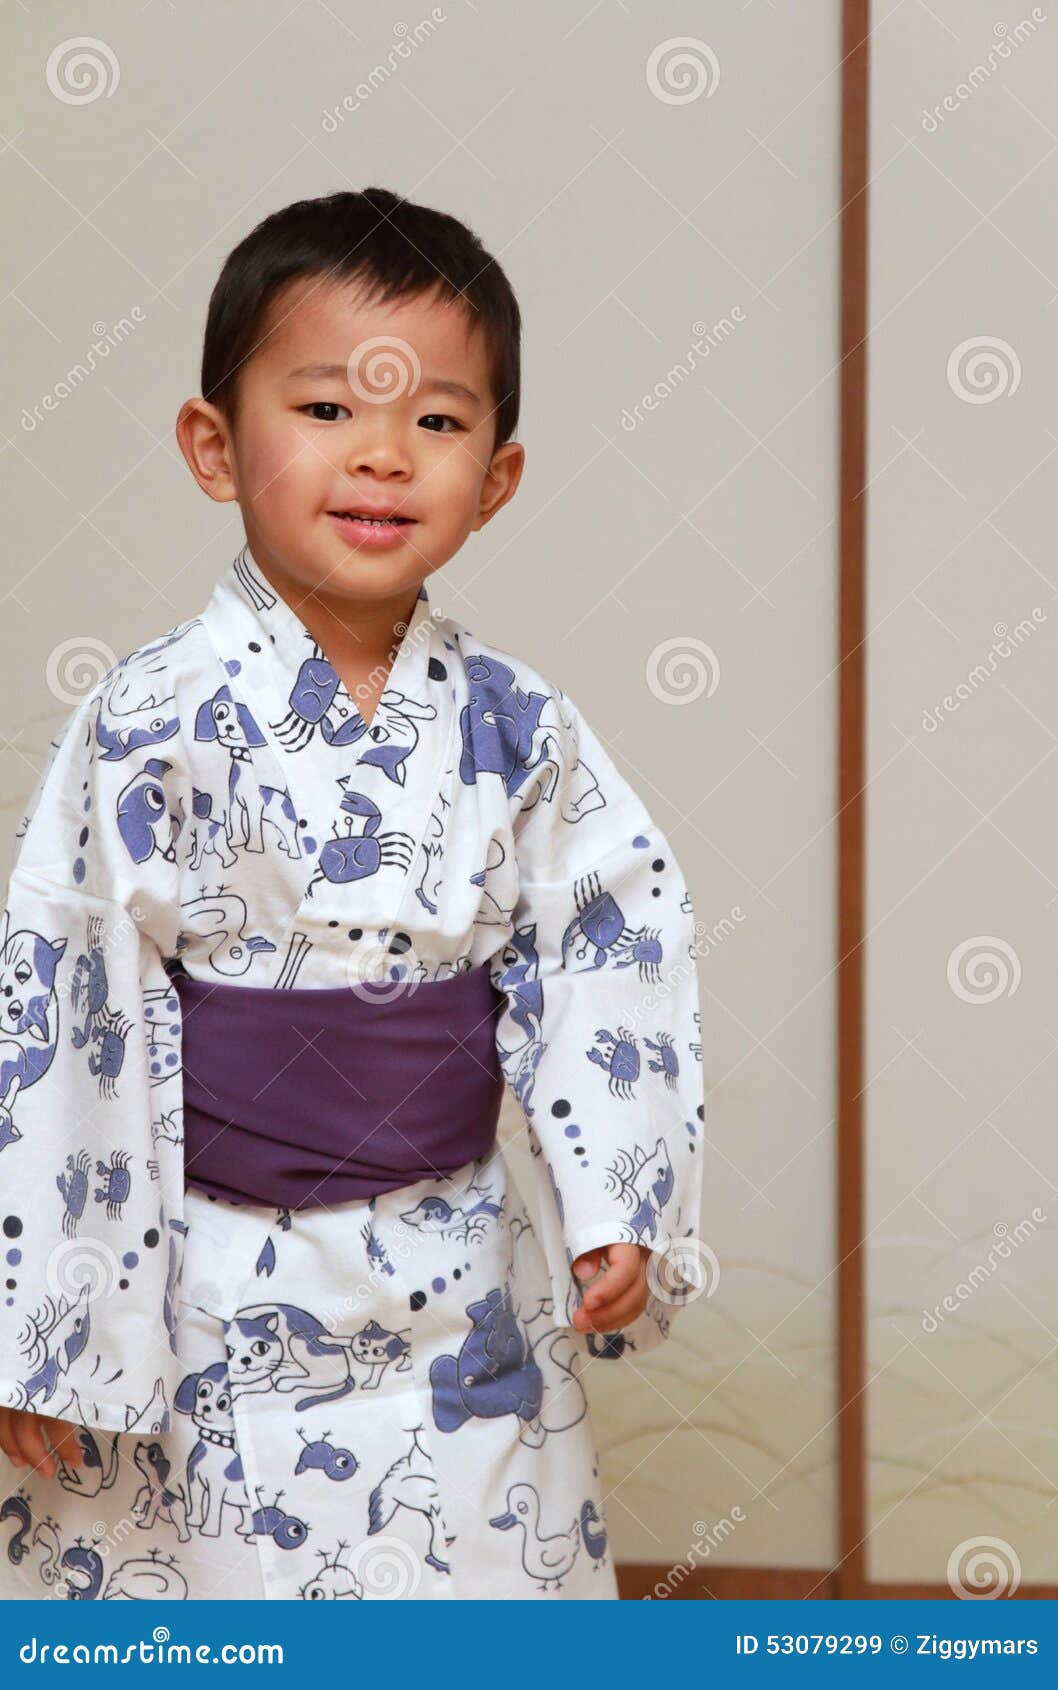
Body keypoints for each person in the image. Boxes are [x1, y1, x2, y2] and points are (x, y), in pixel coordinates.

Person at [0, 188, 705, 1601]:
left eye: (437, 423)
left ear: (496, 477)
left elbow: (605, 944)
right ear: (215, 444)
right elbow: (67, 1010)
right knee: (208, 1583)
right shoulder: (148, 720)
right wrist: (50, 1330)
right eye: (326, 408)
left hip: (454, 1268)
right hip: (207, 1271)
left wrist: (616, 1198)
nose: (383, 454)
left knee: (476, 1569)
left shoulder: (519, 724)